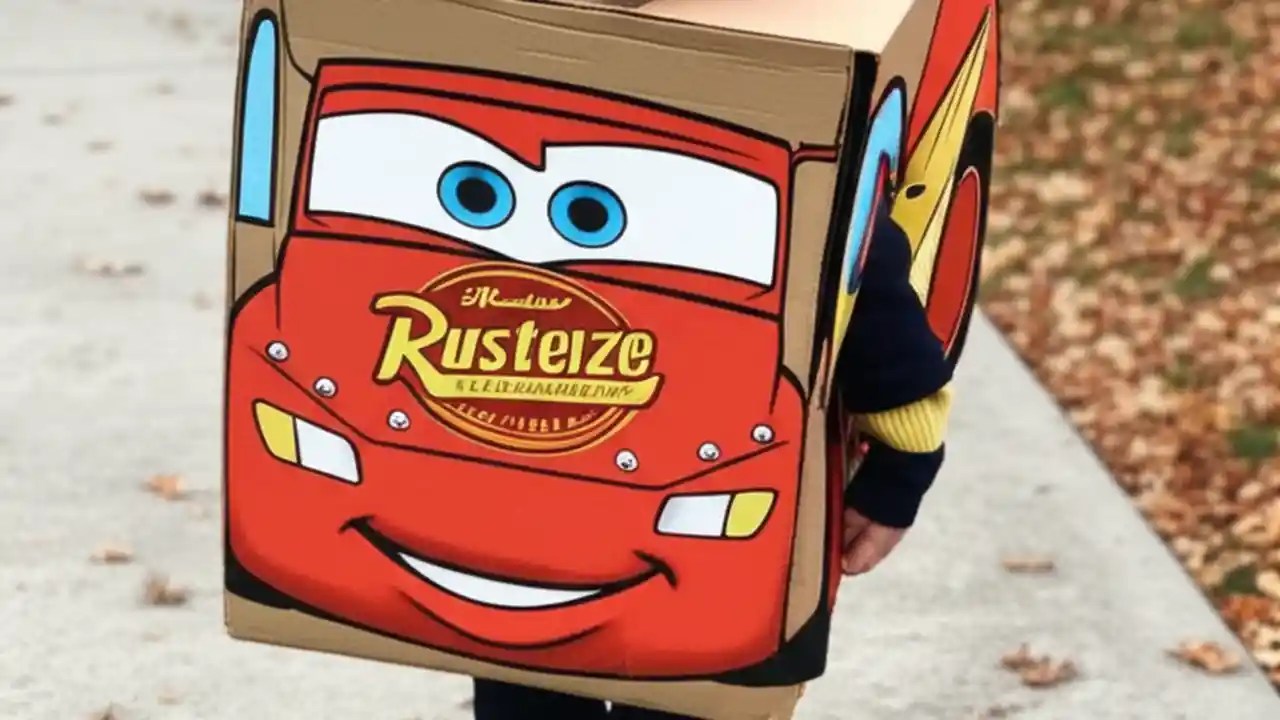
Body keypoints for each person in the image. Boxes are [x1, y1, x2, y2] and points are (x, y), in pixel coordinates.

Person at [472, 203, 955, 719]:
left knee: (524, 633)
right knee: (699, 656)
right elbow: (835, 212)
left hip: (511, 434)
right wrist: (903, 452)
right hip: (717, 453)